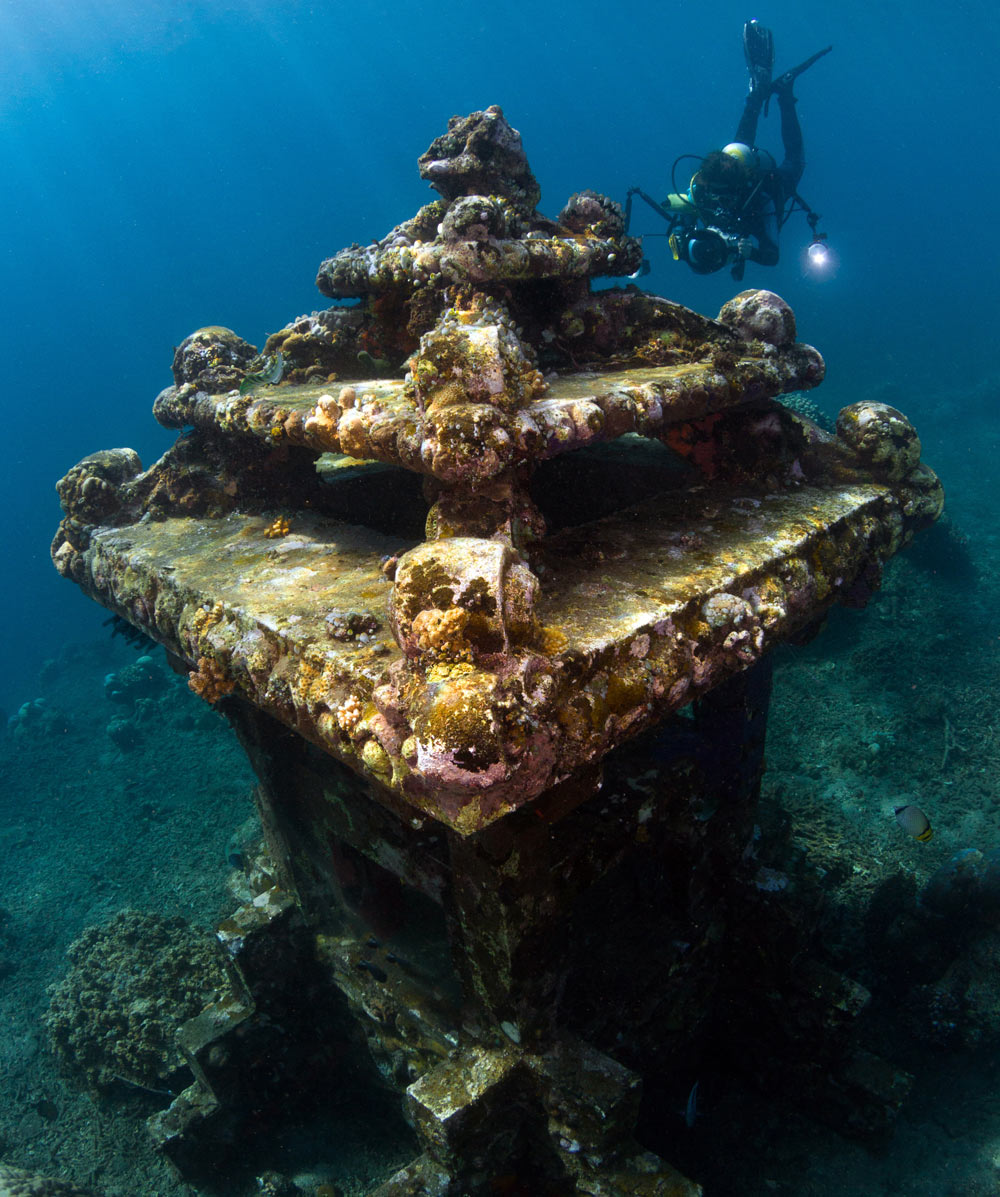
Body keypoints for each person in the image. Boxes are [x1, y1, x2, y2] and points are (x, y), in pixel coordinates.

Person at [660, 21, 828, 279]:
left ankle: (778, 94)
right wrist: (682, 235)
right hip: (743, 170)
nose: (721, 203)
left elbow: (773, 256)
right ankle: (765, 90)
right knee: (739, 147)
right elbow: (769, 256)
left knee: (794, 161)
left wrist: (683, 230)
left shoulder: (757, 198)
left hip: (771, 183)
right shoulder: (702, 192)